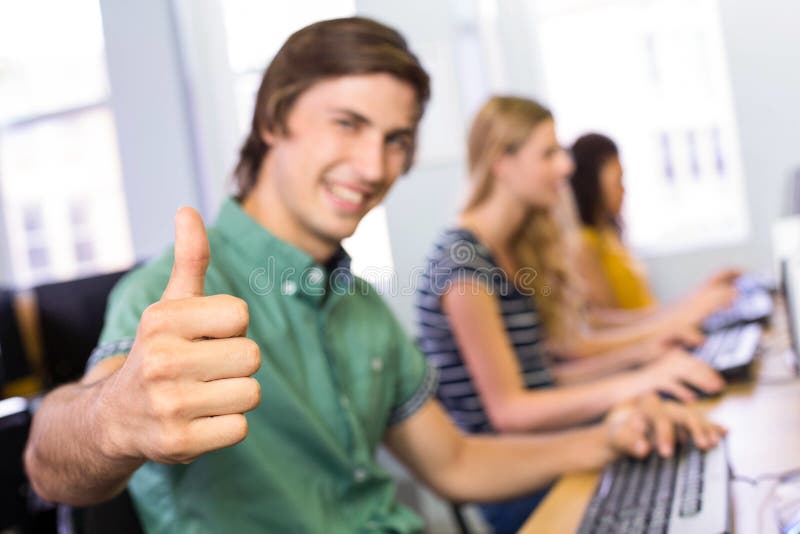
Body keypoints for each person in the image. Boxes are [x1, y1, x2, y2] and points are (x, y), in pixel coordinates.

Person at [24, 19, 725, 533]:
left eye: (396, 140)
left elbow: (453, 463)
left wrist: (610, 435)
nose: (374, 166)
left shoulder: (360, 306)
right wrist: (111, 417)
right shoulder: (166, 298)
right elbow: (47, 463)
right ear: (274, 121)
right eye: (347, 124)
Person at [416, 95, 726, 532]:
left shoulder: (509, 250)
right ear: (501, 163)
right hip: (519, 480)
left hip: (554, 447)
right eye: (548, 154)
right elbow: (510, 411)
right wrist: (632, 378)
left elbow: (546, 374)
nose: (565, 167)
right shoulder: (462, 266)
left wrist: (641, 368)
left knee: (692, 454)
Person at [569, 132, 739, 313]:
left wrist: (702, 296)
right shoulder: (585, 244)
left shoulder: (609, 236)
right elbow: (615, 322)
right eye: (617, 181)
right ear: (593, 184)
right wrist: (693, 307)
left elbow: (647, 312)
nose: (624, 190)